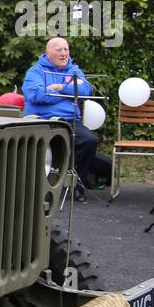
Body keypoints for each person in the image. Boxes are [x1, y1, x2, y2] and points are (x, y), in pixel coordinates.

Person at [22, 37, 98, 199]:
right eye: (59, 50)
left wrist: (59, 88)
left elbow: (85, 92)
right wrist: (69, 94)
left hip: (70, 121)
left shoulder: (74, 70)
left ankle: (76, 183)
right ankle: (43, 183)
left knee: (90, 141)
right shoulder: (35, 71)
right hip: (42, 120)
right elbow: (36, 95)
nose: (64, 54)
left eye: (66, 49)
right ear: (48, 53)